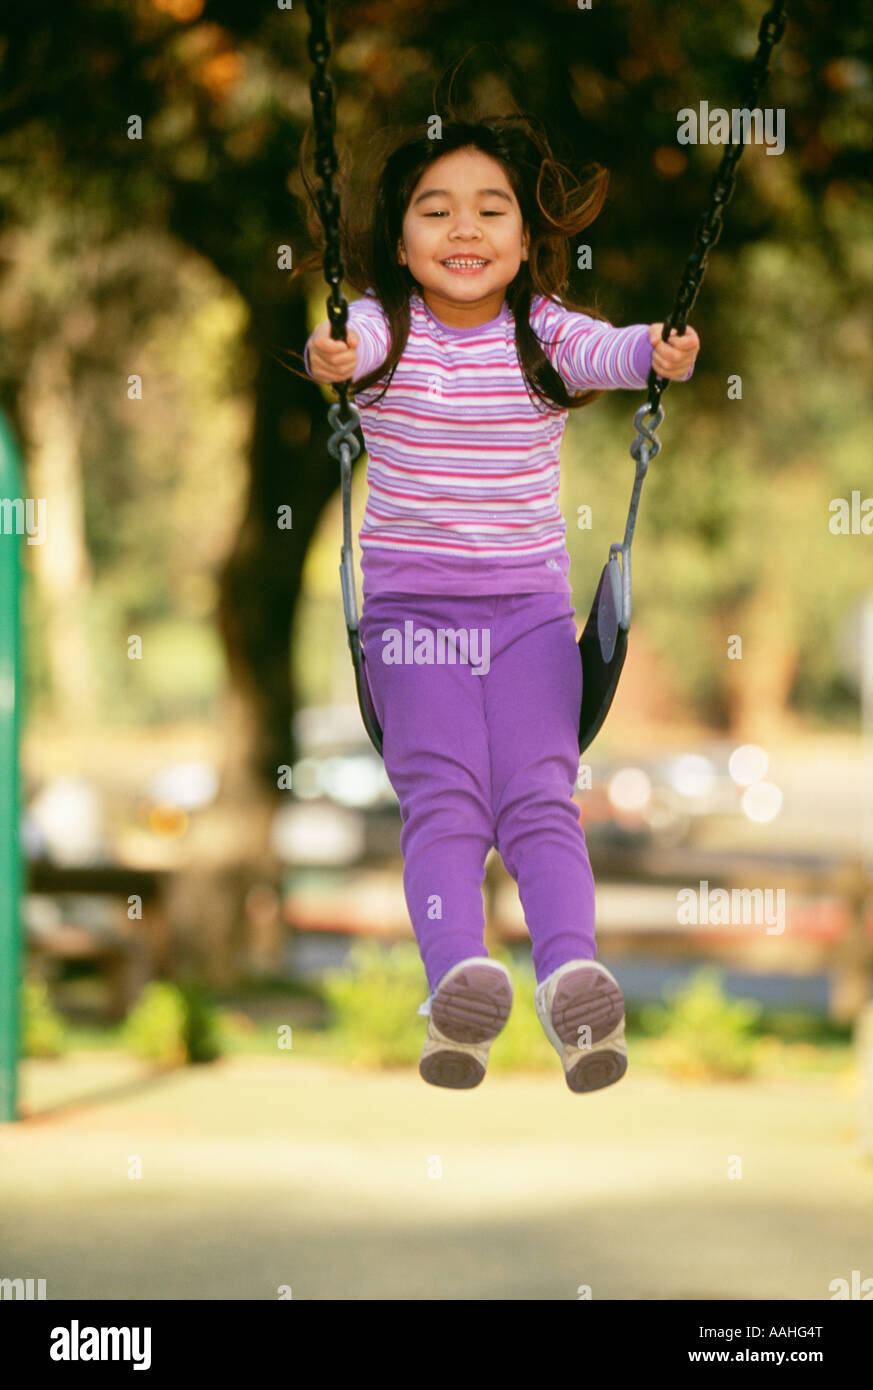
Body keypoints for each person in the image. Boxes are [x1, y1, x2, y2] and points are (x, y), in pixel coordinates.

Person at [301, 116, 699, 1092]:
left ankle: (571, 977)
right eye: (435, 211)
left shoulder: (544, 331)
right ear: (401, 244)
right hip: (413, 614)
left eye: (491, 209)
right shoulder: (386, 328)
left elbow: (609, 351)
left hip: (526, 614)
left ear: (526, 241)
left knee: (538, 799)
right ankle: (460, 986)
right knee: (443, 799)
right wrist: (330, 355)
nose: (464, 229)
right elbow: (349, 350)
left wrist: (654, 348)